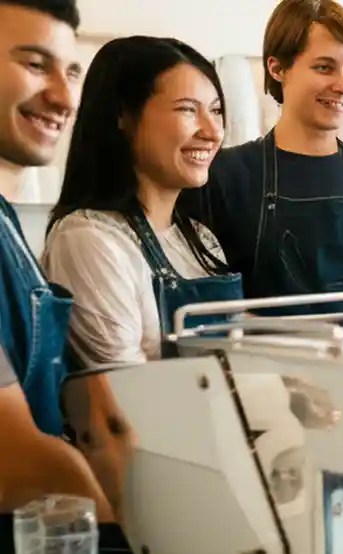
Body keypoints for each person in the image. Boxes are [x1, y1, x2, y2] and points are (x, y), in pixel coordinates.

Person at [0, 0, 118, 554]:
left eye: (71, 70)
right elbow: (13, 462)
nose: (62, 94)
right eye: (32, 62)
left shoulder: (10, 223)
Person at [191, 0, 343, 316]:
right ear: (277, 68)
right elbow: (206, 310)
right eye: (324, 67)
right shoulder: (221, 177)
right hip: (266, 364)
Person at [44, 36, 241, 366]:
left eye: (216, 110)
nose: (212, 131)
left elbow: (237, 362)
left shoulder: (198, 238)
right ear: (122, 115)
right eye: (188, 109)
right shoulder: (89, 240)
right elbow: (131, 396)